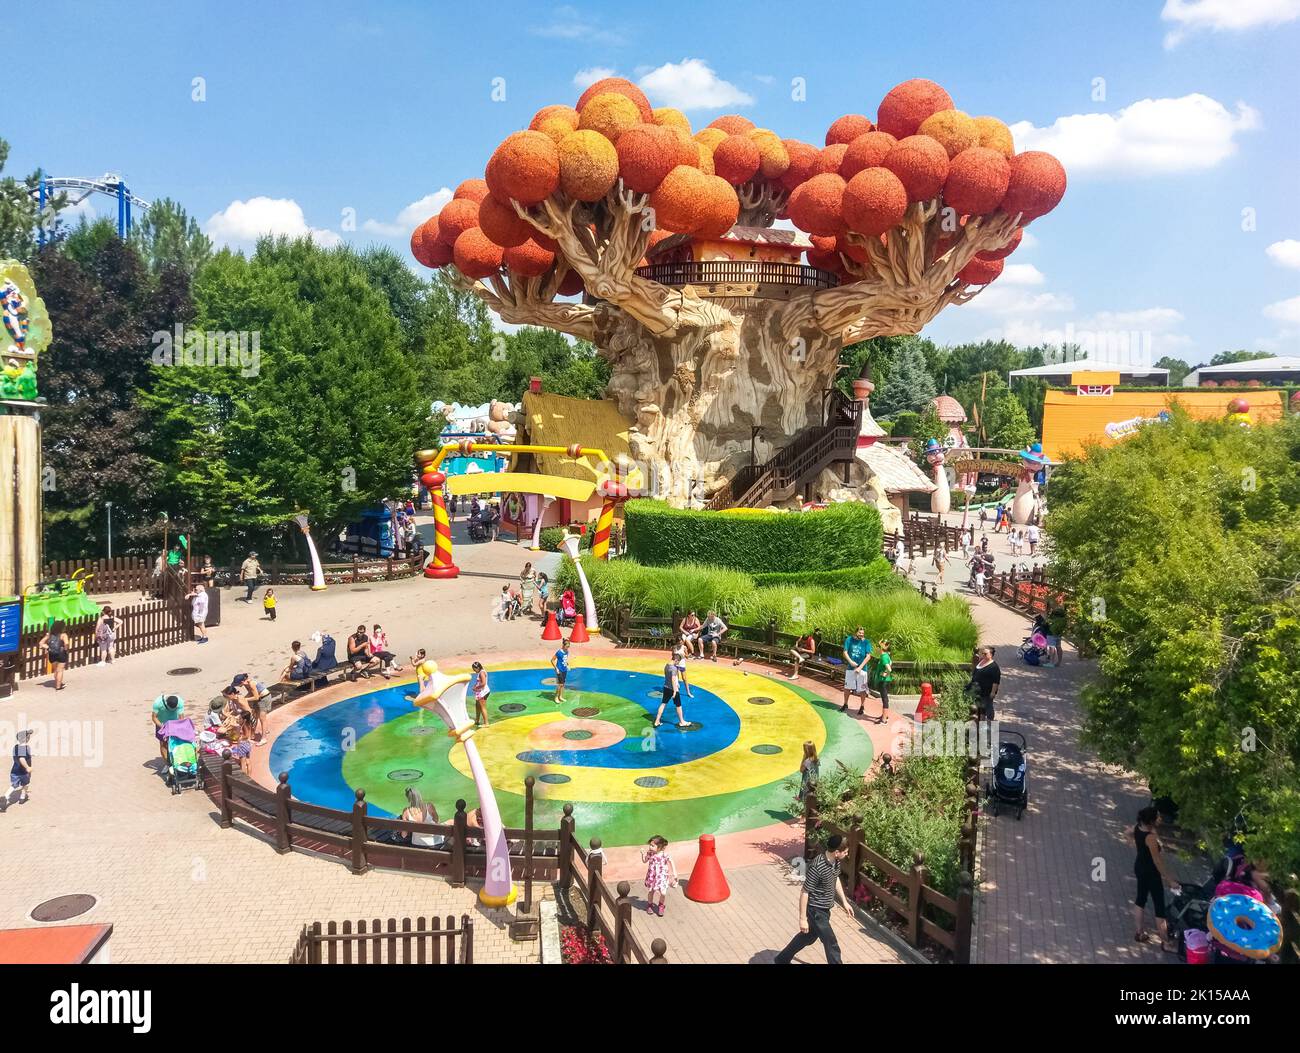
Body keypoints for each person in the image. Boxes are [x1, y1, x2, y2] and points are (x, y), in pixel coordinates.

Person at [774, 833, 853, 964]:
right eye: (845, 852)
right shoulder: (817, 866)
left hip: (825, 909)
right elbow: (804, 892)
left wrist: (844, 902)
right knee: (831, 942)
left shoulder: (836, 862)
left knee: (808, 937)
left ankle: (781, 959)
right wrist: (802, 919)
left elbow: (836, 878)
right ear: (837, 852)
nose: (847, 854)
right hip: (815, 910)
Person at [1132, 806, 1178, 952]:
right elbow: (1157, 861)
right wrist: (1170, 879)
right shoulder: (1150, 838)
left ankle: (1139, 932)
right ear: (1151, 820)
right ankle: (1166, 942)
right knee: (1159, 908)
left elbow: (1127, 833)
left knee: (1140, 899)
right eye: (1158, 817)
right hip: (1151, 873)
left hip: (1139, 867)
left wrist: (1135, 845)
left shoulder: (1139, 828)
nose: (1160, 818)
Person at [641, 835, 679, 917]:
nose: (650, 847)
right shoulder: (650, 854)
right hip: (652, 876)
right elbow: (644, 861)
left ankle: (661, 905)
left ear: (659, 847)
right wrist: (642, 854)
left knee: (663, 892)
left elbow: (671, 861)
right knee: (651, 891)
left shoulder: (664, 855)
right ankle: (650, 905)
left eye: (652, 845)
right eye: (650, 845)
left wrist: (675, 872)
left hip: (662, 877)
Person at [654, 648, 693, 728]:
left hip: (665, 687)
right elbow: (673, 679)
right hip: (672, 689)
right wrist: (675, 691)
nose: (678, 663)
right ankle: (682, 722)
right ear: (675, 660)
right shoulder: (674, 668)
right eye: (678, 662)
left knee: (663, 704)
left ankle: (657, 721)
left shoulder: (667, 665)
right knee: (678, 705)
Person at [839, 626, 873, 714]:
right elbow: (845, 652)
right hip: (851, 668)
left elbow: (868, 656)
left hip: (862, 669)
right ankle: (845, 703)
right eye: (860, 633)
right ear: (855, 632)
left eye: (863, 633)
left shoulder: (866, 642)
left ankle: (862, 706)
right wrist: (850, 662)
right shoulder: (849, 640)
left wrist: (860, 667)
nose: (861, 635)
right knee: (847, 687)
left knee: (862, 689)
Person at [967, 645, 1001, 721]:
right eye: (982, 653)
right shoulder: (981, 662)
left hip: (987, 691)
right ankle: (981, 720)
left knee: (988, 706)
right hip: (978, 691)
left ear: (991, 655)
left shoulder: (994, 667)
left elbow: (996, 681)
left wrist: (992, 692)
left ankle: (990, 720)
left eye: (985, 654)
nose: (983, 655)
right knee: (981, 707)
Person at [151, 693, 185, 761]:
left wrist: (180, 729)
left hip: (174, 723)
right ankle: (167, 764)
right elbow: (154, 718)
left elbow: (181, 718)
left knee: (176, 743)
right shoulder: (157, 703)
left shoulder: (180, 702)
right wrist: (162, 727)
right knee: (163, 744)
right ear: (166, 703)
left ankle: (176, 762)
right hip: (161, 723)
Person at [39, 621, 69, 690]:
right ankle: (58, 686)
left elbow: (41, 643)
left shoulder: (49, 635)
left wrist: (47, 647)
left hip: (52, 654)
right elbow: (66, 644)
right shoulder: (63, 635)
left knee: (56, 670)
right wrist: (66, 650)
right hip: (61, 654)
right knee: (60, 670)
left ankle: (57, 683)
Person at [9, 730, 32, 805]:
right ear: (26, 738)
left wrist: (28, 755)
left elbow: (19, 756)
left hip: (15, 770)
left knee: (14, 785)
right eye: (28, 736)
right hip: (23, 771)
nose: (29, 737)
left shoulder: (16, 747)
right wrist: (27, 767)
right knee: (26, 783)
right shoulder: (23, 748)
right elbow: (21, 758)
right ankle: (22, 797)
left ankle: (5, 797)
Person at [873, 640, 893, 724]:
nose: (876, 649)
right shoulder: (886, 655)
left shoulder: (884, 657)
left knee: (884, 699)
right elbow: (891, 662)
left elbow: (889, 668)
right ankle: (885, 715)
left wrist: (885, 673)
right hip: (885, 681)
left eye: (877, 647)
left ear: (880, 648)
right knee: (885, 698)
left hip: (884, 681)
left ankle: (884, 720)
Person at [551, 638, 571, 704]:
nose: (567, 648)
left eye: (568, 646)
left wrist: (567, 665)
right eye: (567, 646)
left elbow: (564, 660)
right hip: (559, 670)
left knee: (563, 684)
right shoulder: (559, 652)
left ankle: (561, 696)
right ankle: (556, 697)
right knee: (560, 684)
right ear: (563, 645)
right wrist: (556, 668)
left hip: (565, 670)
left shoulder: (567, 651)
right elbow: (552, 660)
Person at [470, 661, 490, 726]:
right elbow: (479, 682)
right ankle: (477, 720)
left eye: (474, 669)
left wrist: (476, 688)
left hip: (483, 692)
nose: (474, 671)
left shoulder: (481, 673)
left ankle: (486, 723)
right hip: (480, 692)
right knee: (477, 706)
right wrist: (475, 686)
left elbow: (483, 683)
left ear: (478, 667)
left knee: (482, 707)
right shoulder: (480, 672)